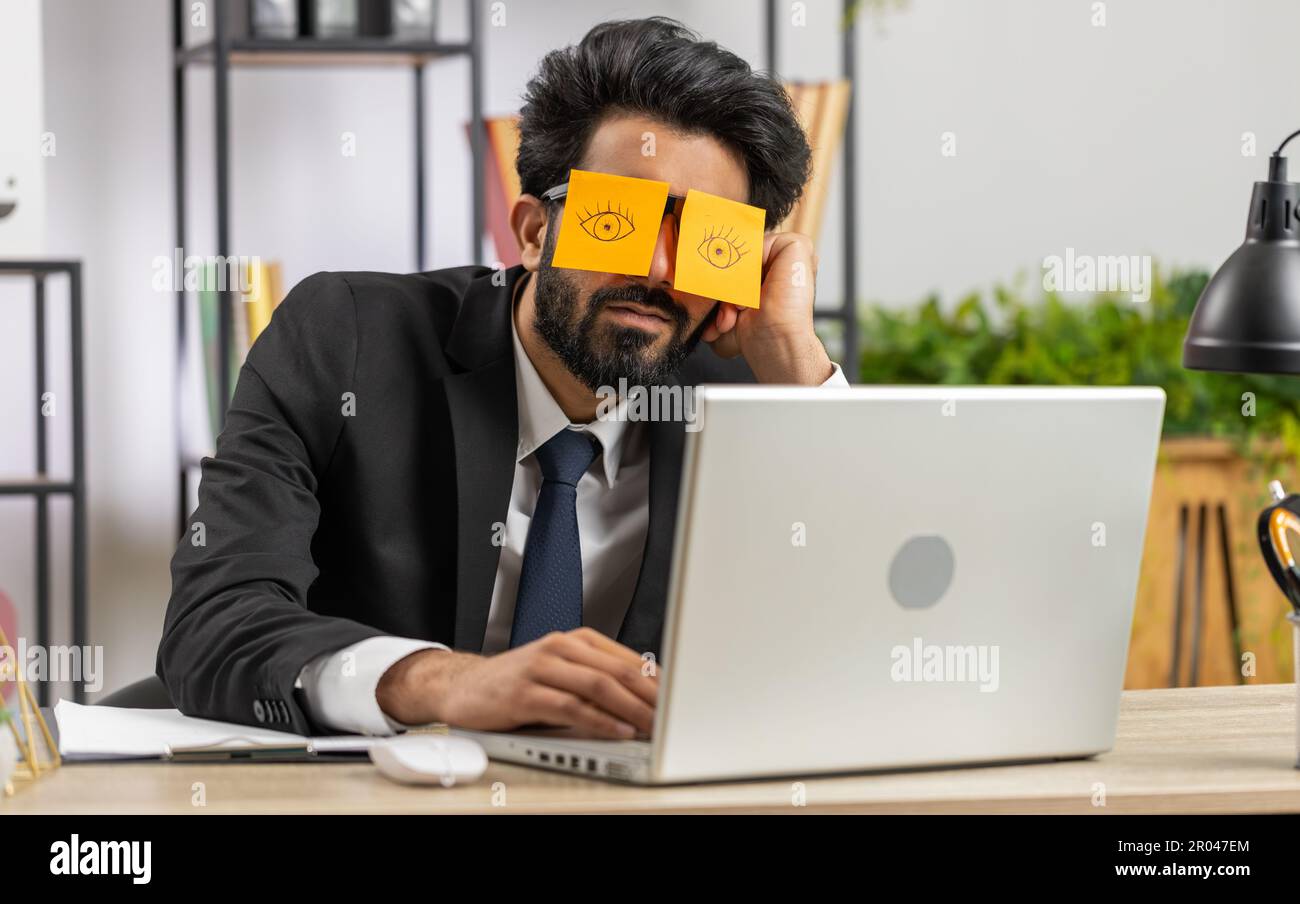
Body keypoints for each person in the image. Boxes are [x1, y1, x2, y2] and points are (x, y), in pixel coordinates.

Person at [157, 17, 846, 740]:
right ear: (531, 231)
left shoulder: (753, 401)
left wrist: (797, 362)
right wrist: (442, 681)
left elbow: (869, 636)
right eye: (621, 222)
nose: (660, 271)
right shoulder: (347, 341)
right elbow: (213, 622)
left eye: (709, 240)